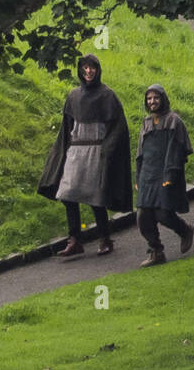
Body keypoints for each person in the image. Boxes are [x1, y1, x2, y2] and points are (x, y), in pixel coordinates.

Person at [38, 53, 134, 258]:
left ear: (98, 70)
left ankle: (104, 238)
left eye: (92, 68)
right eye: (85, 68)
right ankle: (75, 239)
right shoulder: (73, 96)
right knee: (67, 194)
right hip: (75, 151)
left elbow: (118, 128)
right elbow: (66, 127)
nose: (88, 71)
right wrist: (61, 154)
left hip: (97, 151)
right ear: (80, 70)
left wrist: (107, 150)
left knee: (95, 197)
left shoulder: (108, 96)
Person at [135, 84, 194, 267]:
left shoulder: (173, 121)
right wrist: (138, 176)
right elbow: (140, 152)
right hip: (147, 174)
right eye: (149, 99)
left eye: (156, 98)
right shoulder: (146, 123)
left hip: (165, 172)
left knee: (163, 213)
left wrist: (170, 173)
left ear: (163, 99)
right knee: (143, 215)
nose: (152, 102)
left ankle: (184, 230)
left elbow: (176, 149)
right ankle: (155, 251)